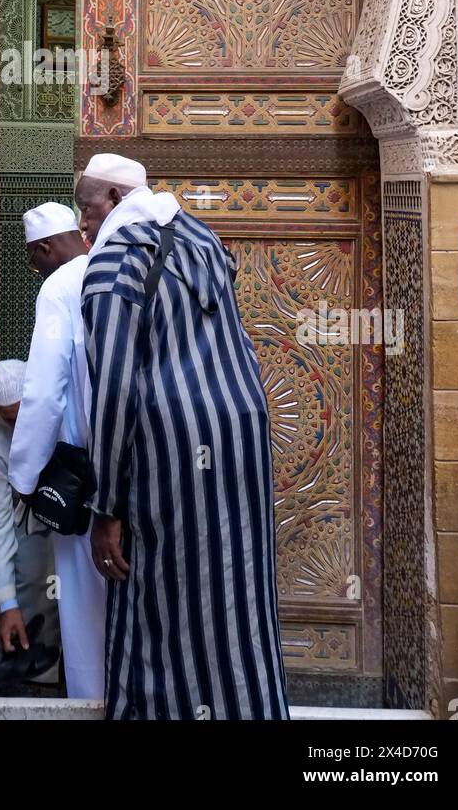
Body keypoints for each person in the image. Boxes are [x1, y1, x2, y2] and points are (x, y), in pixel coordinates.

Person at [76, 152, 290, 721]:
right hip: (241, 433)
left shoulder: (113, 264)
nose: (84, 226)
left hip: (168, 451)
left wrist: (106, 507)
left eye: (88, 209)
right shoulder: (201, 240)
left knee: (157, 599)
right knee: (235, 590)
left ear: (116, 200)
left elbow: (114, 393)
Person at [9, 202, 106, 700]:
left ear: (46, 247)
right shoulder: (117, 265)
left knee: (85, 602)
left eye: (32, 258)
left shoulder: (60, 285)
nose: (35, 268)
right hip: (139, 467)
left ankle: (90, 701)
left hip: (80, 475)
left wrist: (23, 478)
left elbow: (44, 392)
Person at [0, 360, 60, 688]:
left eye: (24, 414)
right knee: (31, 568)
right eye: (12, 418)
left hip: (74, 503)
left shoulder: (58, 400)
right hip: (28, 510)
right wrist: (7, 602)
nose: (20, 425)